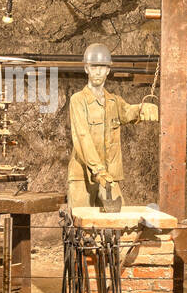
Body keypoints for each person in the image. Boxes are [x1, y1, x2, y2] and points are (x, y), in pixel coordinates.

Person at [67, 43, 159, 209]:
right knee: (80, 225)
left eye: (102, 67)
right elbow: (82, 136)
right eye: (93, 67)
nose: (97, 71)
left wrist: (142, 109)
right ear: (86, 69)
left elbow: (128, 112)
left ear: (108, 70)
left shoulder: (114, 102)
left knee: (118, 221)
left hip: (109, 175)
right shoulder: (78, 100)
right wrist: (98, 170)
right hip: (83, 175)